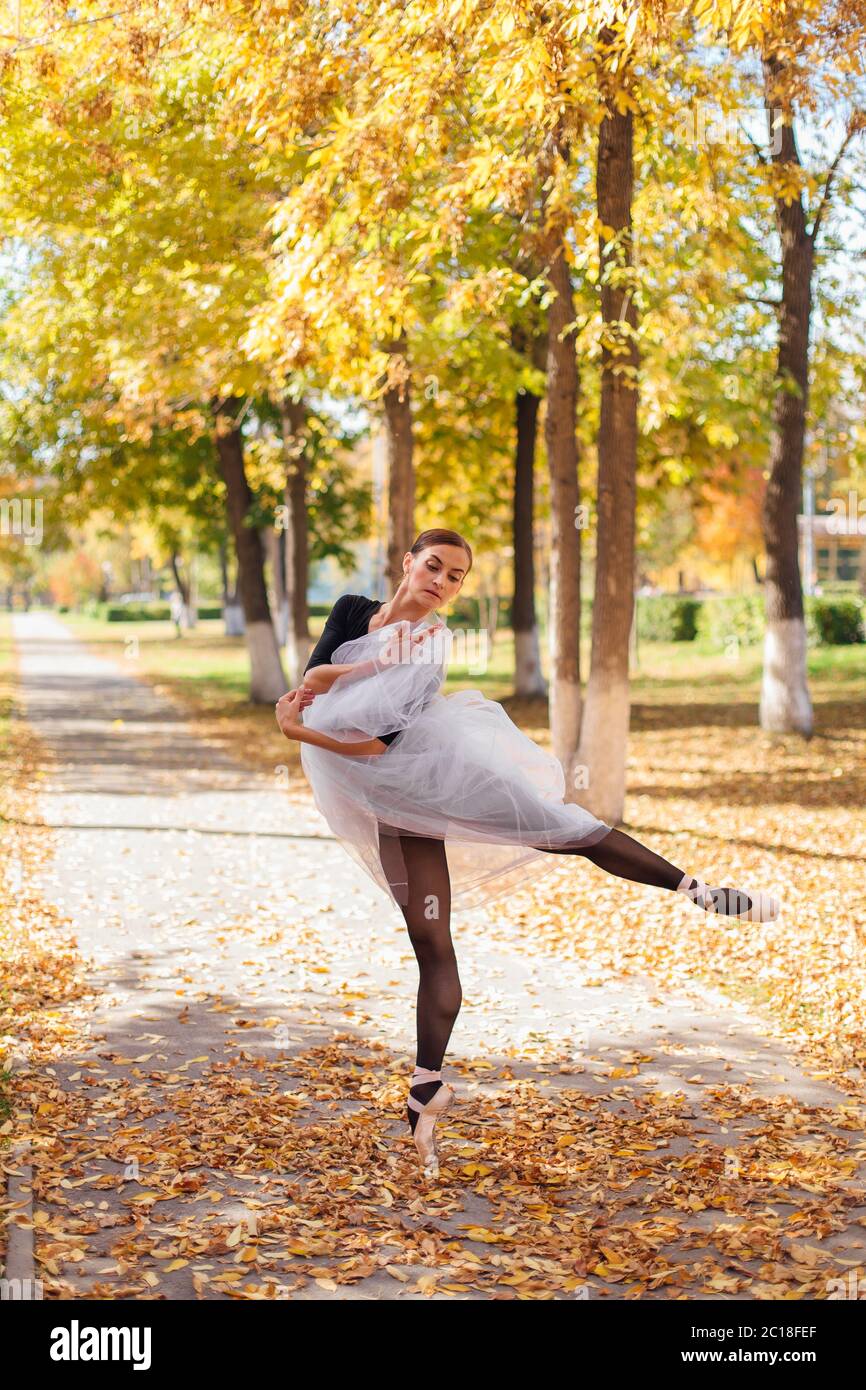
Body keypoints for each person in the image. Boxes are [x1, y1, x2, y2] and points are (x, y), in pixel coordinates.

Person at [275, 528, 781, 1179]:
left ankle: (705, 893)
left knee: (564, 825)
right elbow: (310, 692)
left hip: (439, 774)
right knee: (431, 940)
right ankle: (426, 1091)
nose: (440, 581)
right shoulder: (349, 611)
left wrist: (304, 727)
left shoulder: (432, 644)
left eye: (455, 576)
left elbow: (379, 745)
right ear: (408, 562)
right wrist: (304, 710)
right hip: (388, 803)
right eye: (433, 566)